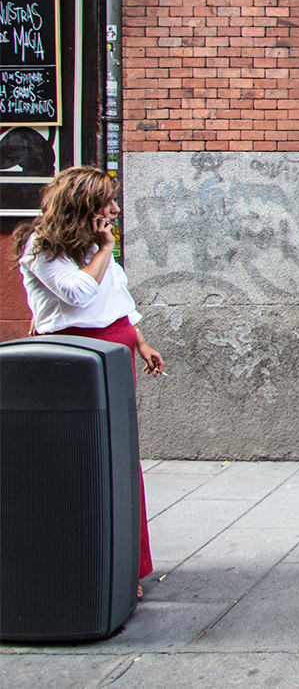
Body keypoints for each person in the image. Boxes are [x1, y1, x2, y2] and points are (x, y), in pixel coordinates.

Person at [16, 165, 163, 596]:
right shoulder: (42, 247)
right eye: (107, 202)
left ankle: (127, 566)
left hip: (115, 347)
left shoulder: (94, 248)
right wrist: (105, 246)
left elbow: (111, 296)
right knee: (84, 458)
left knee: (120, 457)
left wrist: (139, 339)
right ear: (82, 206)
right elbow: (77, 294)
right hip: (75, 358)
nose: (115, 209)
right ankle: (89, 562)